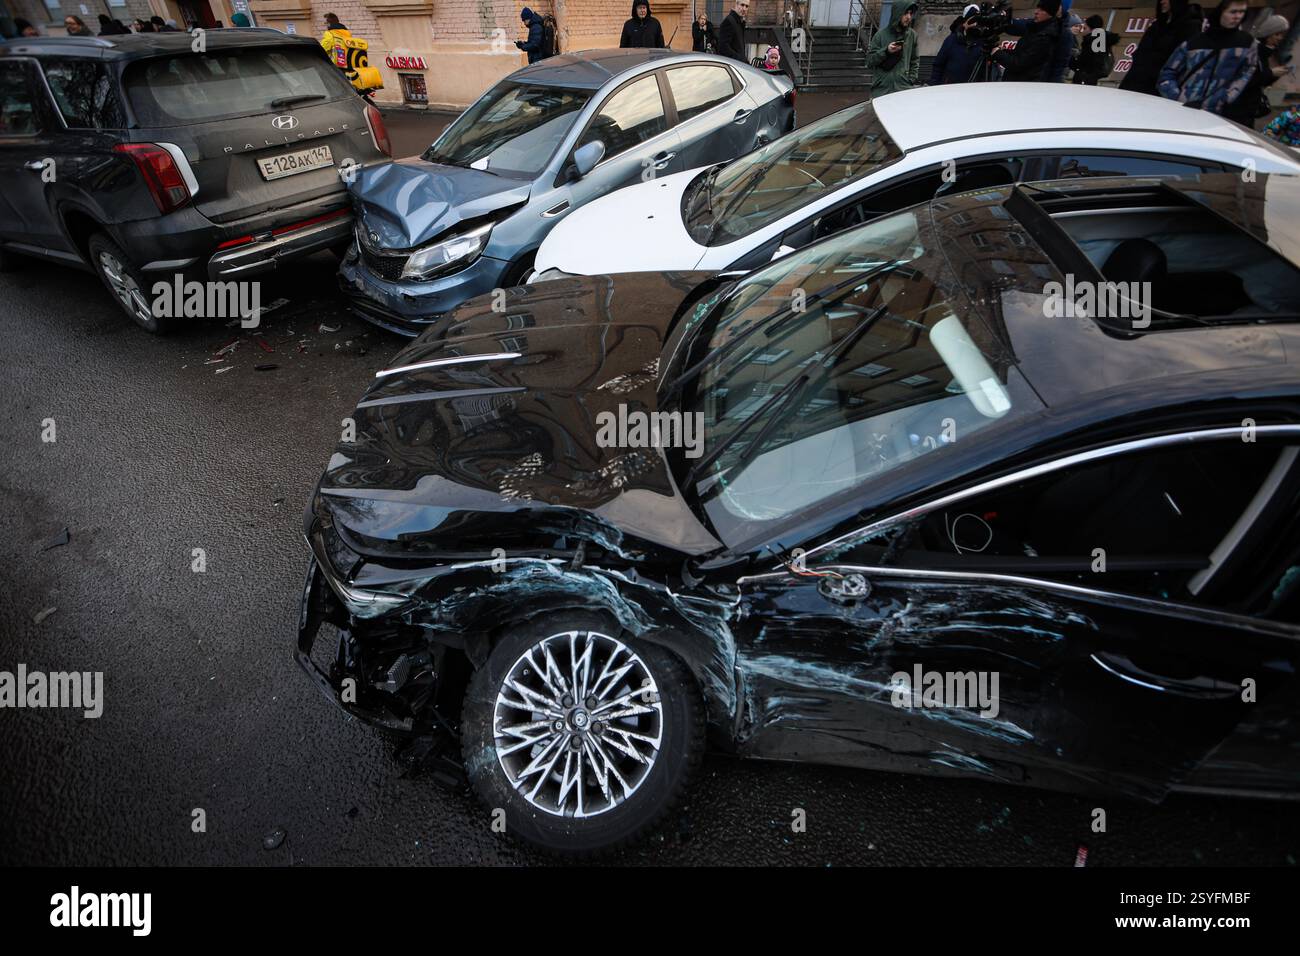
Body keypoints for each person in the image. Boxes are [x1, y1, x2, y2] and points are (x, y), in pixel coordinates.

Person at [1158, 0, 1256, 115]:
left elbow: (1247, 72)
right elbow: (1167, 72)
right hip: (1184, 107)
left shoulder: (1247, 43)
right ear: (1221, 12)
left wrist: (1227, 97)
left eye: (1241, 12)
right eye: (1233, 12)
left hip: (1219, 112)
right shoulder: (1195, 42)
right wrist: (1177, 97)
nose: (1237, 16)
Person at [1120, 0, 1204, 96]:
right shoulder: (1157, 24)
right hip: (1135, 81)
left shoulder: (1190, 25)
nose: (1162, 2)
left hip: (1159, 86)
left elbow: (1182, 60)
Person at [1223, 14, 1289, 127]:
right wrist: (1271, 73)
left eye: (1282, 34)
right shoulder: (1253, 52)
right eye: (1277, 34)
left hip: (1247, 110)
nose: (1280, 38)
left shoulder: (1265, 52)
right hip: (1239, 109)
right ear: (1267, 34)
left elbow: (1260, 80)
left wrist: (1275, 75)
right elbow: (1246, 79)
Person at [993, 0, 1062, 81]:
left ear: (1050, 13)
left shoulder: (1045, 37)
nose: (1036, 12)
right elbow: (1021, 54)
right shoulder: (1035, 28)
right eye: (1037, 8)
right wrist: (1004, 51)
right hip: (1018, 81)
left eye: (1042, 10)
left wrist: (997, 53)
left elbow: (1019, 64)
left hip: (1024, 85)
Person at [865, 2, 919, 96]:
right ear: (897, 13)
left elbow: (914, 61)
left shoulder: (912, 36)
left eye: (911, 13)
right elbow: (869, 61)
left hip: (903, 89)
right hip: (882, 90)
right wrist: (886, 51)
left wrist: (910, 79)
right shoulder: (880, 35)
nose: (909, 17)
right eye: (905, 13)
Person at [930, 8, 985, 84]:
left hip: (973, 91)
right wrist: (934, 85)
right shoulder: (952, 40)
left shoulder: (983, 43)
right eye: (972, 21)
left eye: (977, 21)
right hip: (949, 89)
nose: (974, 24)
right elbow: (938, 65)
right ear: (965, 22)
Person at [1071, 14, 1120, 85]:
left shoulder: (1093, 42)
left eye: (1085, 28)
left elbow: (1084, 63)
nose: (1082, 31)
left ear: (1093, 30)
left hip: (1085, 78)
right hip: (1090, 78)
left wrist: (1071, 58)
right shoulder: (1101, 40)